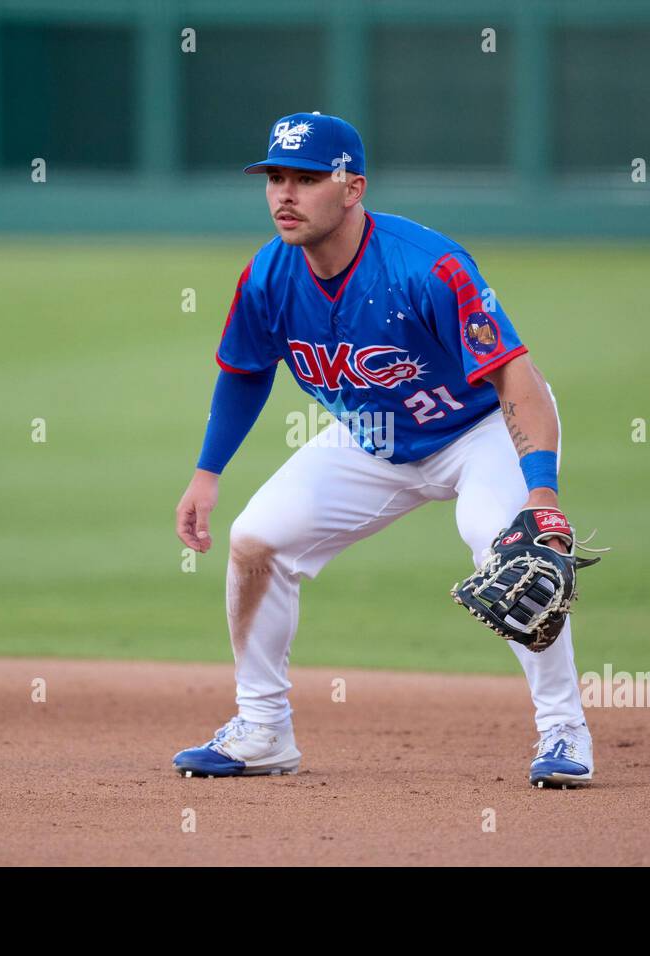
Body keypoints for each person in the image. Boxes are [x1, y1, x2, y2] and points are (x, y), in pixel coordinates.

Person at [172, 112, 595, 788]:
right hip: (372, 439)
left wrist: (539, 493)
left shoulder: (425, 266)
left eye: (307, 179)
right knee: (257, 540)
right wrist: (206, 473)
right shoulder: (267, 277)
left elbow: (517, 373)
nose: (285, 193)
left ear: (352, 187)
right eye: (276, 177)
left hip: (478, 430)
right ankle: (263, 729)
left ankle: (564, 730)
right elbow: (246, 370)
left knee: (510, 552)